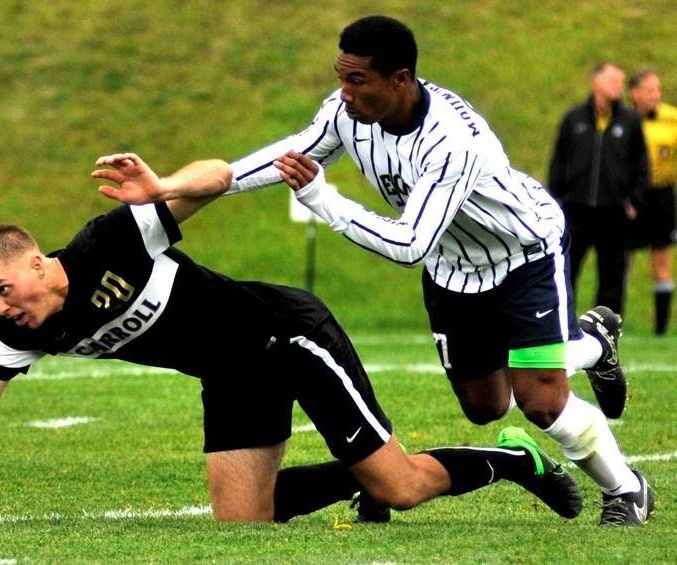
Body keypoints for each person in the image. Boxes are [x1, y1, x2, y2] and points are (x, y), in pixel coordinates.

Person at [96, 16, 654, 526]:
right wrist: (167, 187)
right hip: (453, 269)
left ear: (400, 79)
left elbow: (409, 245)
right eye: (341, 78)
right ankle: (591, 344)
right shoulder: (349, 113)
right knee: (483, 406)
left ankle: (627, 490)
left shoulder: (451, 143)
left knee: (541, 400)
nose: (344, 93)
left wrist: (326, 200)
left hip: (522, 255)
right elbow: (284, 157)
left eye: (357, 80)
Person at [0, 155, 586, 527]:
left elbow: (221, 175)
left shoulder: (109, 243)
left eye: (4, 288)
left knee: (403, 486)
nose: (1, 307)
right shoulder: (25, 328)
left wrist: (163, 184)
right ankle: (361, 477)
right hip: (231, 377)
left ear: (37, 265)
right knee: (243, 523)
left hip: (287, 335)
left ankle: (513, 460)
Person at [548, 61, 650, 317]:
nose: (618, 86)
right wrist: (556, 198)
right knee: (566, 269)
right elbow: (558, 160)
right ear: (596, 82)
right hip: (576, 210)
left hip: (614, 212)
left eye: (621, 82)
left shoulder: (629, 121)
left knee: (612, 278)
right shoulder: (574, 118)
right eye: (613, 80)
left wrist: (634, 201)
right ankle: (564, 323)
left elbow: (642, 165)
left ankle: (607, 330)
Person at [627, 68, 677, 336]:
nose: (655, 95)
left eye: (657, 89)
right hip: (633, 197)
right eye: (649, 90)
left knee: (661, 264)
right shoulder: (624, 120)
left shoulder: (671, 118)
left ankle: (660, 331)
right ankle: (615, 322)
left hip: (662, 196)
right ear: (634, 93)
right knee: (622, 261)